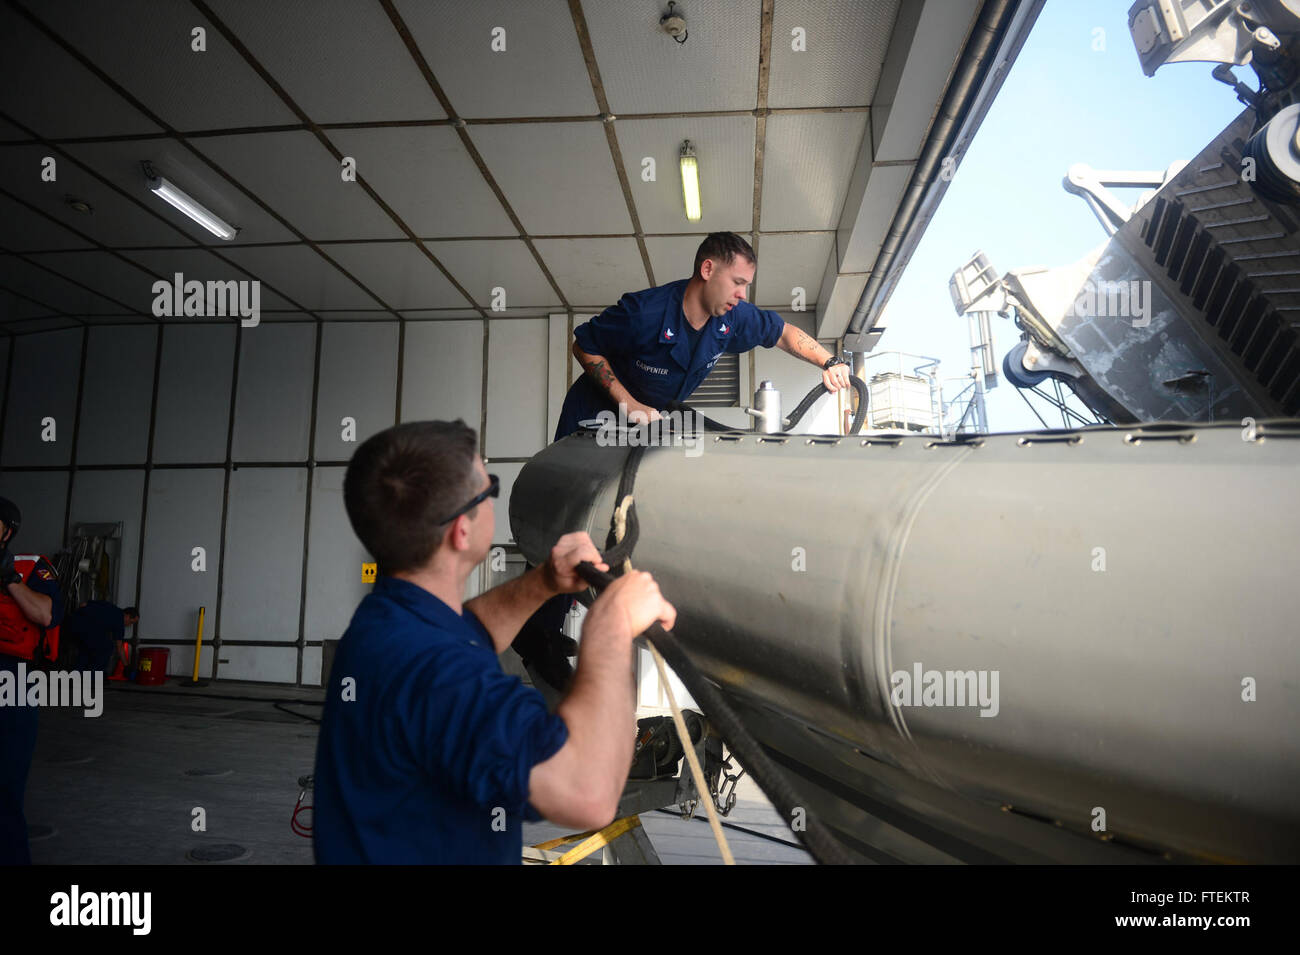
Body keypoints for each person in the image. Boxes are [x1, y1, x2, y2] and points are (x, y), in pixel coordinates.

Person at [313, 420, 676, 864]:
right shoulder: (442, 674)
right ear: (460, 532)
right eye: (489, 491)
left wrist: (543, 582)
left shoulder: (385, 624)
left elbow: (468, 632)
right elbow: (588, 794)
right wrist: (612, 628)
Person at [553, 230, 853, 439]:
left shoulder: (734, 316)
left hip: (647, 425)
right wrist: (630, 407)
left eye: (746, 285)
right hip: (591, 420)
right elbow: (584, 346)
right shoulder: (644, 312)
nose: (742, 294)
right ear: (708, 269)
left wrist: (830, 362)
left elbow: (784, 333)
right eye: (737, 282)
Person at [0, 496, 64, 865]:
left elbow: (45, 615)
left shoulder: (33, 568)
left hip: (12, 679)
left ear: (8, 532)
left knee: (5, 789)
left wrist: (9, 580)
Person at [65, 601, 138, 675]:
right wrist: (126, 666)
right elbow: (119, 646)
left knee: (86, 649)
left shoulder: (110, 606)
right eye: (131, 622)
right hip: (85, 628)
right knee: (107, 647)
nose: (129, 625)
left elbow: (83, 604)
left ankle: (75, 677)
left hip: (71, 623)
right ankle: (92, 678)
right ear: (127, 616)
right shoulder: (120, 621)